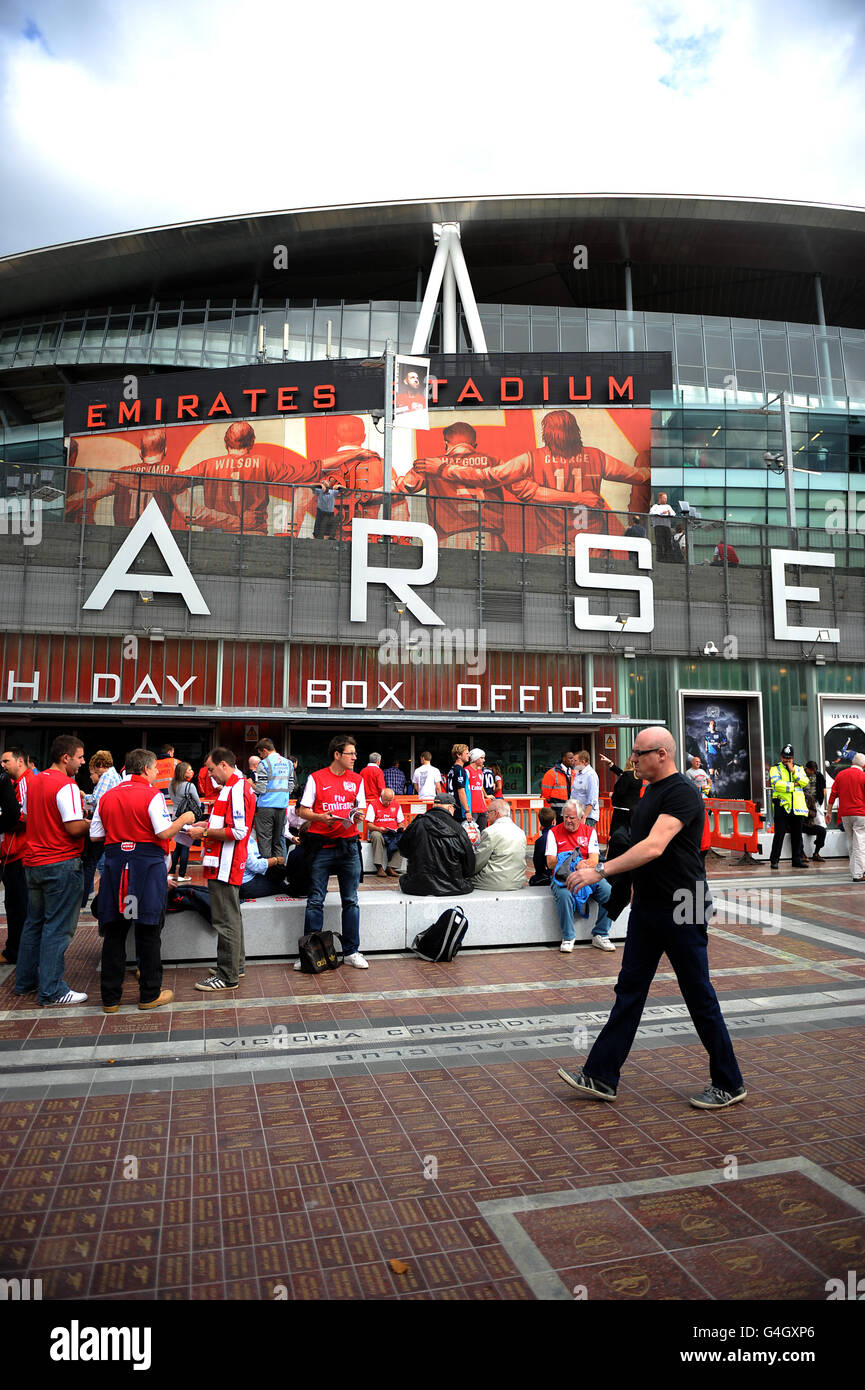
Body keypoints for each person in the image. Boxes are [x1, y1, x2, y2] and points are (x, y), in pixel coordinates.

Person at [557, 728, 746, 1110]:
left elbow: (654, 846)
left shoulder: (681, 792)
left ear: (661, 754)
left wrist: (601, 871)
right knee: (629, 991)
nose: (633, 760)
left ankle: (729, 1082)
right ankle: (601, 1075)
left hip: (684, 903)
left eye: (639, 754)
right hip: (650, 906)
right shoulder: (647, 793)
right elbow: (634, 845)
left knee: (698, 994)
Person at [90, 748, 196, 1013]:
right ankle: (149, 994)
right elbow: (163, 831)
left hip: (116, 869)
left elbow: (95, 835)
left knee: (114, 931)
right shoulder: (152, 795)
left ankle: (110, 998)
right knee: (148, 931)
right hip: (145, 870)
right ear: (147, 769)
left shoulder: (108, 796)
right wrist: (183, 818)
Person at [14, 735, 89, 1007]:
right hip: (61, 862)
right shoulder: (66, 785)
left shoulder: (34, 781)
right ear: (65, 757)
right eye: (80, 757)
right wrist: (93, 823)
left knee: (34, 924)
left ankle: (24, 982)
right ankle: (52, 989)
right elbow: (72, 826)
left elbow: (26, 815)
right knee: (58, 929)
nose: (82, 762)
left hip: (33, 863)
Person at [296, 734, 369, 969]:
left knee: (351, 901)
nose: (355, 758)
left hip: (348, 846)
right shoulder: (316, 778)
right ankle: (309, 953)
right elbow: (301, 810)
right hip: (321, 847)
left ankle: (351, 951)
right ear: (337, 755)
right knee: (315, 901)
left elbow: (361, 808)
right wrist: (320, 817)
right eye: (351, 753)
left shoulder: (357, 779)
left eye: (355, 754)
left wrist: (358, 817)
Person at [187, 748, 256, 992]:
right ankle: (234, 966)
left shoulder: (236, 788)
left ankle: (228, 976)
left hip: (226, 865)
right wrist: (206, 825)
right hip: (224, 863)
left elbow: (238, 831)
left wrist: (203, 832)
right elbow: (231, 824)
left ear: (224, 765)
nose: (209, 775)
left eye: (212, 769)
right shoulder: (232, 787)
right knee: (232, 916)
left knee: (225, 919)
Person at [545, 800, 613, 952]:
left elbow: (594, 860)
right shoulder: (553, 832)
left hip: (587, 874)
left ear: (581, 818)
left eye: (572, 818)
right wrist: (574, 862)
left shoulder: (589, 831)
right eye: (565, 817)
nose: (568, 820)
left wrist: (580, 864)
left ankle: (601, 934)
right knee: (564, 895)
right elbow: (550, 862)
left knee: (609, 892)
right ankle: (568, 937)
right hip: (562, 876)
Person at [399, 793, 476, 896]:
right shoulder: (458, 828)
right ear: (450, 807)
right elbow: (469, 863)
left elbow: (403, 850)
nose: (454, 812)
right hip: (454, 886)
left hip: (417, 885)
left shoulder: (417, 824)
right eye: (454, 809)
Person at [81, 750, 122, 908]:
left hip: (103, 824)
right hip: (111, 824)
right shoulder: (115, 775)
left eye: (94, 769)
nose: (94, 774)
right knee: (101, 861)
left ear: (99, 765)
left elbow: (98, 799)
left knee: (92, 862)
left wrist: (84, 796)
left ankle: (85, 899)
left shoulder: (106, 776)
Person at [0, 746, 28, 965]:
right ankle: (13, 949)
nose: (3, 765)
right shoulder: (11, 784)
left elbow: (25, 818)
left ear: (20, 761)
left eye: (6, 761)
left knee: (20, 906)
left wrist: (6, 821)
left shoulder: (26, 782)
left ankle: (19, 952)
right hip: (10, 854)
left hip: (20, 854)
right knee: (13, 905)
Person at [769, 744, 811, 869]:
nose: (787, 760)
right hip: (782, 804)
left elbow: (805, 782)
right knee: (779, 834)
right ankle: (774, 860)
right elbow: (777, 785)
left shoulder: (798, 768)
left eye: (789, 758)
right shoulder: (775, 769)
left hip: (797, 806)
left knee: (797, 835)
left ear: (793, 758)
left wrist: (793, 772)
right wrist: (793, 785)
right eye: (785, 757)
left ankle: (797, 860)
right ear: (781, 757)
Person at [472, 799, 527, 892]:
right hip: (518, 881)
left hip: (494, 882)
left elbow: (478, 862)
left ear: (496, 813)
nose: (486, 815)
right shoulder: (520, 832)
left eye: (488, 812)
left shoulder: (490, 832)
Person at [253, 738, 295, 859]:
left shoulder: (264, 764)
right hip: (282, 806)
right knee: (278, 841)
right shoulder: (288, 763)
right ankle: (279, 872)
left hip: (265, 807)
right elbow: (291, 785)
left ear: (265, 750)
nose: (260, 757)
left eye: (260, 754)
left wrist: (251, 786)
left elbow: (261, 788)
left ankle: (267, 873)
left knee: (265, 841)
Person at [826, 752, 865, 882]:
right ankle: (858, 874)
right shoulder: (863, 776)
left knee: (851, 843)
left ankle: (854, 870)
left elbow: (833, 795)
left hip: (845, 815)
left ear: (852, 763)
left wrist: (829, 812)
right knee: (860, 844)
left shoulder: (840, 775)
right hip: (860, 814)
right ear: (863, 765)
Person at [167, 762, 202, 883]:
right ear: (183, 772)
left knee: (178, 846)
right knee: (185, 846)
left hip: (175, 818)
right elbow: (198, 803)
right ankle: (182, 874)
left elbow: (173, 800)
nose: (191, 772)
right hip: (187, 819)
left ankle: (171, 872)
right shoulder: (190, 786)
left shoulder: (171, 784)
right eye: (189, 770)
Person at [365, 787, 405, 878]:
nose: (388, 803)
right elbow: (369, 825)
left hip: (392, 832)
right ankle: (379, 867)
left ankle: (391, 866)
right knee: (376, 835)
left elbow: (400, 822)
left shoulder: (396, 805)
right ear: (381, 797)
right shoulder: (373, 805)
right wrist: (379, 829)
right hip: (379, 831)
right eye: (386, 800)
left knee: (403, 837)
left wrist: (401, 827)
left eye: (390, 800)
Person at [802, 760, 828, 863]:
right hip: (802, 803)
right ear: (807, 768)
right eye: (811, 770)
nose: (812, 772)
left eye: (814, 770)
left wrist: (820, 799)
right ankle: (802, 853)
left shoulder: (818, 775)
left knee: (821, 826)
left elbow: (823, 788)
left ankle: (816, 853)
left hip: (815, 802)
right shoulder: (801, 774)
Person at [540, 752, 573, 823]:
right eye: (570, 758)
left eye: (573, 758)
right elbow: (546, 792)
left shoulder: (575, 772)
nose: (572, 760)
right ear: (564, 759)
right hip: (557, 812)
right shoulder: (551, 773)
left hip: (571, 811)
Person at [570, 751, 600, 829]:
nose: (572, 763)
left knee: (583, 840)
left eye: (575, 760)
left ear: (583, 761)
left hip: (587, 817)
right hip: (578, 815)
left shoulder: (591, 775)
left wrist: (584, 817)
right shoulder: (578, 774)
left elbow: (592, 799)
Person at [530, 806, 556, 885]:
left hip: (548, 874)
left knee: (533, 880)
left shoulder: (540, 841)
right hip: (562, 873)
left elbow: (538, 865)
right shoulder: (561, 835)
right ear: (553, 821)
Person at [446, 744, 471, 825]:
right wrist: (467, 810)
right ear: (459, 755)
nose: (469, 755)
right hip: (459, 809)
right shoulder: (460, 770)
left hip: (451, 806)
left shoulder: (452, 769)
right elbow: (461, 791)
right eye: (466, 753)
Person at [467, 749, 490, 831]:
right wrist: (467, 809)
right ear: (475, 758)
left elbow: (480, 787)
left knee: (482, 832)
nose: (484, 760)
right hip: (472, 809)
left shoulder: (480, 772)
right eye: (482, 758)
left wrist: (485, 796)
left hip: (482, 809)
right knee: (471, 833)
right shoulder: (467, 770)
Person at [649, 492, 676, 561]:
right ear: (660, 498)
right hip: (658, 526)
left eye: (666, 498)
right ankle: (660, 558)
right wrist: (661, 513)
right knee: (660, 543)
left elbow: (673, 513)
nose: (665, 499)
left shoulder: (668, 506)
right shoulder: (655, 506)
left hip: (666, 526)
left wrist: (669, 513)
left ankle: (668, 558)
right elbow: (651, 513)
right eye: (664, 498)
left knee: (668, 542)